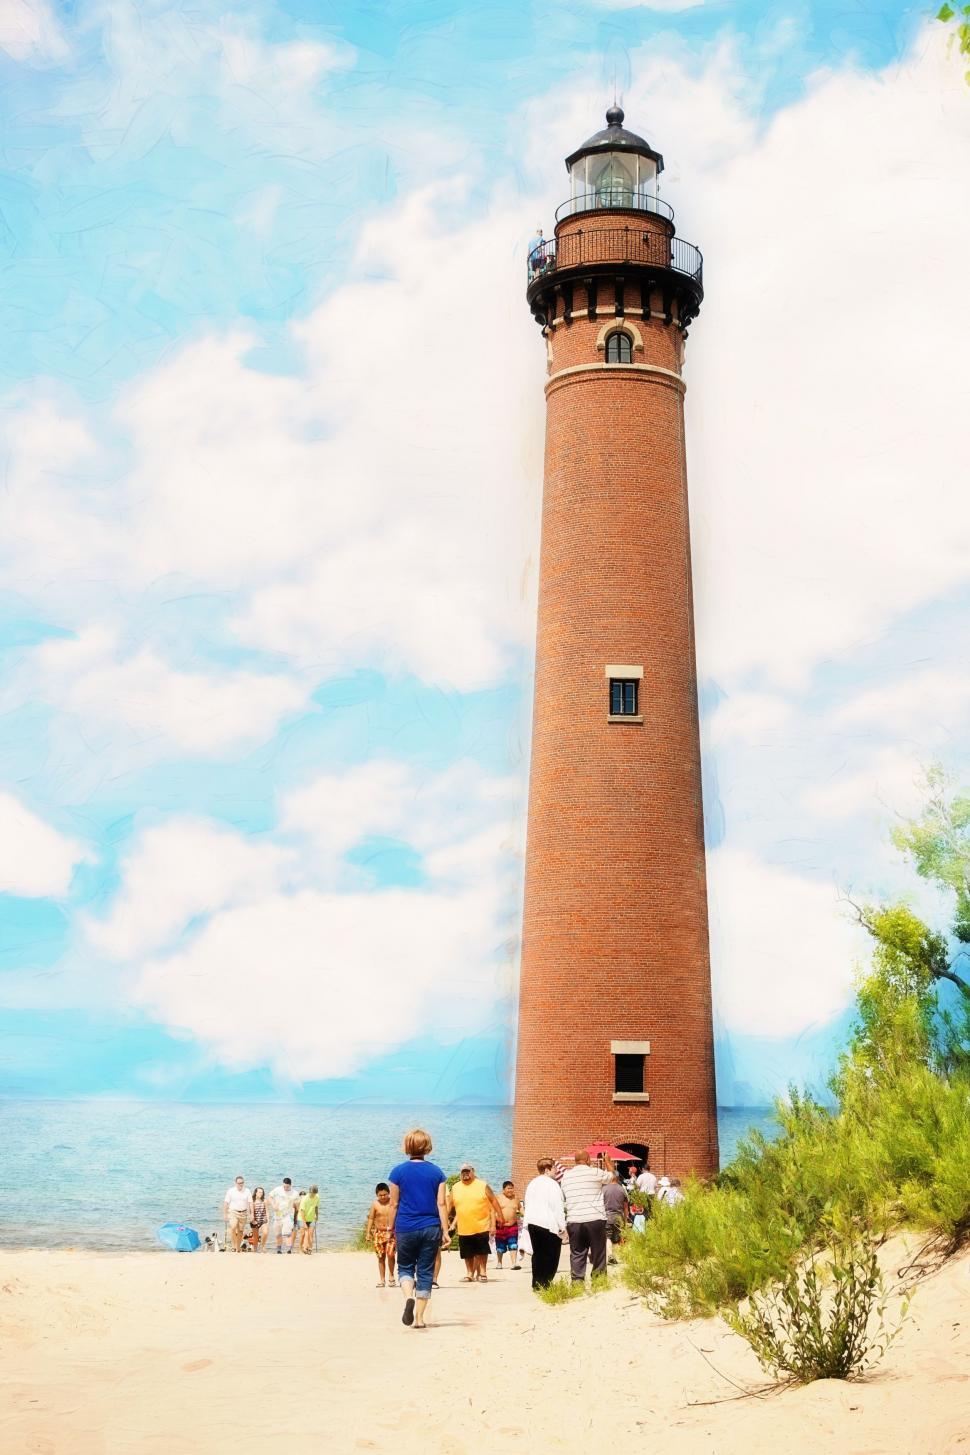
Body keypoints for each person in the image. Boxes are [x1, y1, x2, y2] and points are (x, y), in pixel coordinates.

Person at [387, 1128, 451, 1330]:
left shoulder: (397, 1171)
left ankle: (408, 1297)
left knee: (405, 1267)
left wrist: (390, 1228)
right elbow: (442, 1204)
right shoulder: (437, 1172)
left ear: (406, 1147)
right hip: (430, 1227)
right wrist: (446, 1231)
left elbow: (394, 1204)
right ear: (428, 1148)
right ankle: (420, 1319)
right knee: (425, 1271)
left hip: (405, 1226)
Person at [560, 1150, 612, 1282]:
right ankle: (599, 1280)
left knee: (577, 1253)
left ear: (575, 1161)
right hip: (595, 1217)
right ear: (588, 1159)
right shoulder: (594, 1172)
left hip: (574, 1218)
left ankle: (577, 1281)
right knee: (599, 1252)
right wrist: (607, 1161)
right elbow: (613, 1176)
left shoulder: (566, 1176)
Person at [448, 1163, 504, 1283]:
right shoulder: (456, 1187)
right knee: (467, 1253)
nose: (465, 1174)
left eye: (468, 1171)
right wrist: (445, 1220)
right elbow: (449, 1205)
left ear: (473, 1172)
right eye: (463, 1172)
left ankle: (483, 1273)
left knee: (481, 1250)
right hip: (464, 1226)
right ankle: (469, 1274)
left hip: (481, 1225)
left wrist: (500, 1215)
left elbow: (493, 1200)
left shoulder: (482, 1185)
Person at [523, 1156, 567, 1289]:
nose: (556, 1171)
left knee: (538, 1254)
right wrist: (562, 1227)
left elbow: (527, 1202)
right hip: (548, 1223)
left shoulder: (532, 1183)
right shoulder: (552, 1184)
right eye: (554, 1168)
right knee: (551, 1255)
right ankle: (546, 1282)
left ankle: (536, 1282)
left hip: (532, 1222)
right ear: (547, 1169)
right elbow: (557, 1207)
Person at [365, 1183, 397, 1288]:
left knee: (391, 1254)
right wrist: (368, 1232)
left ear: (389, 1193)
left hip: (391, 1232)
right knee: (380, 1256)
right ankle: (382, 1279)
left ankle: (391, 1276)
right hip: (379, 1233)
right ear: (377, 1195)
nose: (383, 1197)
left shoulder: (392, 1203)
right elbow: (370, 1218)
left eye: (385, 1194)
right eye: (380, 1195)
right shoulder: (375, 1204)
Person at [494, 1179, 522, 1271]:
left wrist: (526, 1215)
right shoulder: (498, 1198)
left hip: (512, 1225)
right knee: (500, 1246)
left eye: (512, 1188)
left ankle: (514, 1263)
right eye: (508, 1188)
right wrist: (497, 1219)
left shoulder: (516, 1199)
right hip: (500, 1226)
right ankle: (499, 1263)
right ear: (503, 1190)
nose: (510, 1190)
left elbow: (520, 1208)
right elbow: (492, 1211)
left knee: (513, 1244)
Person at [602, 1172, 629, 1264]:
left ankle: (610, 1255)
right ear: (617, 1178)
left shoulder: (604, 1189)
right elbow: (626, 1207)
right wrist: (625, 1220)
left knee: (608, 1237)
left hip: (606, 1217)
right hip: (618, 1217)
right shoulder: (622, 1189)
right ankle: (616, 1257)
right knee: (617, 1238)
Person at [222, 1175, 253, 1253]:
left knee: (240, 1231)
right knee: (233, 1227)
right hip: (233, 1212)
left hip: (243, 1213)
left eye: (242, 1183)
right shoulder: (231, 1191)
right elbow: (226, 1203)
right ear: (235, 1183)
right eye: (239, 1183)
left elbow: (250, 1203)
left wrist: (251, 1214)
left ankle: (238, 1247)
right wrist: (225, 1214)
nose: (240, 1184)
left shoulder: (247, 1191)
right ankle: (233, 1246)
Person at [269, 1177, 299, 1254]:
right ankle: (279, 1250)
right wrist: (273, 1205)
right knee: (278, 1233)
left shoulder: (295, 1193)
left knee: (287, 1233)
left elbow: (297, 1205)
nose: (285, 1188)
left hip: (288, 1215)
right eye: (284, 1186)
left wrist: (296, 1218)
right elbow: (270, 1197)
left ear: (291, 1185)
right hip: (278, 1214)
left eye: (287, 1186)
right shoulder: (277, 1189)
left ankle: (289, 1250)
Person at [300, 1185, 319, 1253]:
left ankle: (309, 1248)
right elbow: (302, 1211)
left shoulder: (317, 1197)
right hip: (302, 1217)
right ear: (310, 1192)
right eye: (312, 1194)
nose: (313, 1195)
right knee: (304, 1234)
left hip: (311, 1218)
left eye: (315, 1194)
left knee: (310, 1234)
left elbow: (316, 1207)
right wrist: (304, 1223)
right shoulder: (305, 1199)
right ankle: (302, 1248)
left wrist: (317, 1215)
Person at [249, 1187, 268, 1252]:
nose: (261, 1194)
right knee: (255, 1237)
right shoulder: (252, 1201)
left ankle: (262, 1246)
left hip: (263, 1220)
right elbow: (250, 1212)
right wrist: (252, 1220)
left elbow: (267, 1211)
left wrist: (268, 1220)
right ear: (256, 1193)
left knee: (265, 1232)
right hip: (254, 1221)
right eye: (259, 1192)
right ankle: (255, 1250)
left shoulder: (264, 1201)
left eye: (262, 1192)